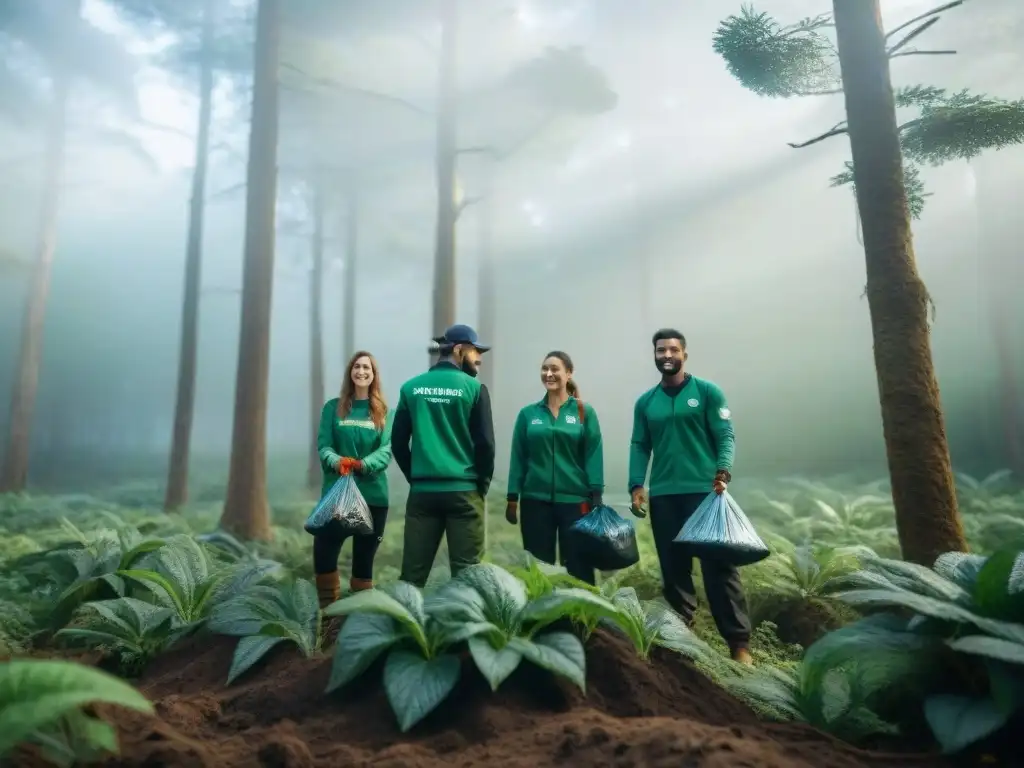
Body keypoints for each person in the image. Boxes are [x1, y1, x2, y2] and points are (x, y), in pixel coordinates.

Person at [628, 329, 753, 665]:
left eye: (672, 349)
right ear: (654, 356)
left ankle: (739, 645)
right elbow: (640, 445)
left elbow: (725, 434)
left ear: (684, 354)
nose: (666, 355)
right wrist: (636, 485)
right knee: (673, 569)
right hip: (665, 495)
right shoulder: (646, 402)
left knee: (719, 568)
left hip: (705, 493)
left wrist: (723, 470)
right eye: (660, 350)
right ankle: (683, 640)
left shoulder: (708, 392)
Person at [392, 324, 495, 586]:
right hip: (464, 492)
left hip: (423, 494)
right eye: (475, 352)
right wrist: (479, 486)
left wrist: (416, 477)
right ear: (459, 350)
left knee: (412, 576)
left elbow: (398, 442)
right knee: (468, 577)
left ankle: (403, 624)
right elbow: (485, 445)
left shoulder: (410, 388)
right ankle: (462, 625)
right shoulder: (474, 389)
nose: (478, 358)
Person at [504, 351, 603, 584]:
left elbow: (594, 454)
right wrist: (512, 497)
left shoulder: (583, 412)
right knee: (539, 567)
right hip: (535, 501)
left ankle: (581, 618)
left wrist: (596, 494)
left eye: (555, 369)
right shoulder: (528, 414)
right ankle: (544, 619)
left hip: (576, 502)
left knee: (579, 566)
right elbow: (518, 456)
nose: (549, 373)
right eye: (545, 368)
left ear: (568, 374)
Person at [312, 351, 393, 608]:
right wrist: (337, 461)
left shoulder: (384, 412)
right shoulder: (332, 408)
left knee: (363, 562)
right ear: (350, 372)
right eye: (357, 367)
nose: (361, 372)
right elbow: (324, 445)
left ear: (373, 375)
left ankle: (357, 618)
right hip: (337, 495)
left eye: (366, 368)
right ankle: (328, 617)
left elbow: (387, 449)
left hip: (373, 497)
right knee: (324, 553)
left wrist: (363, 464)